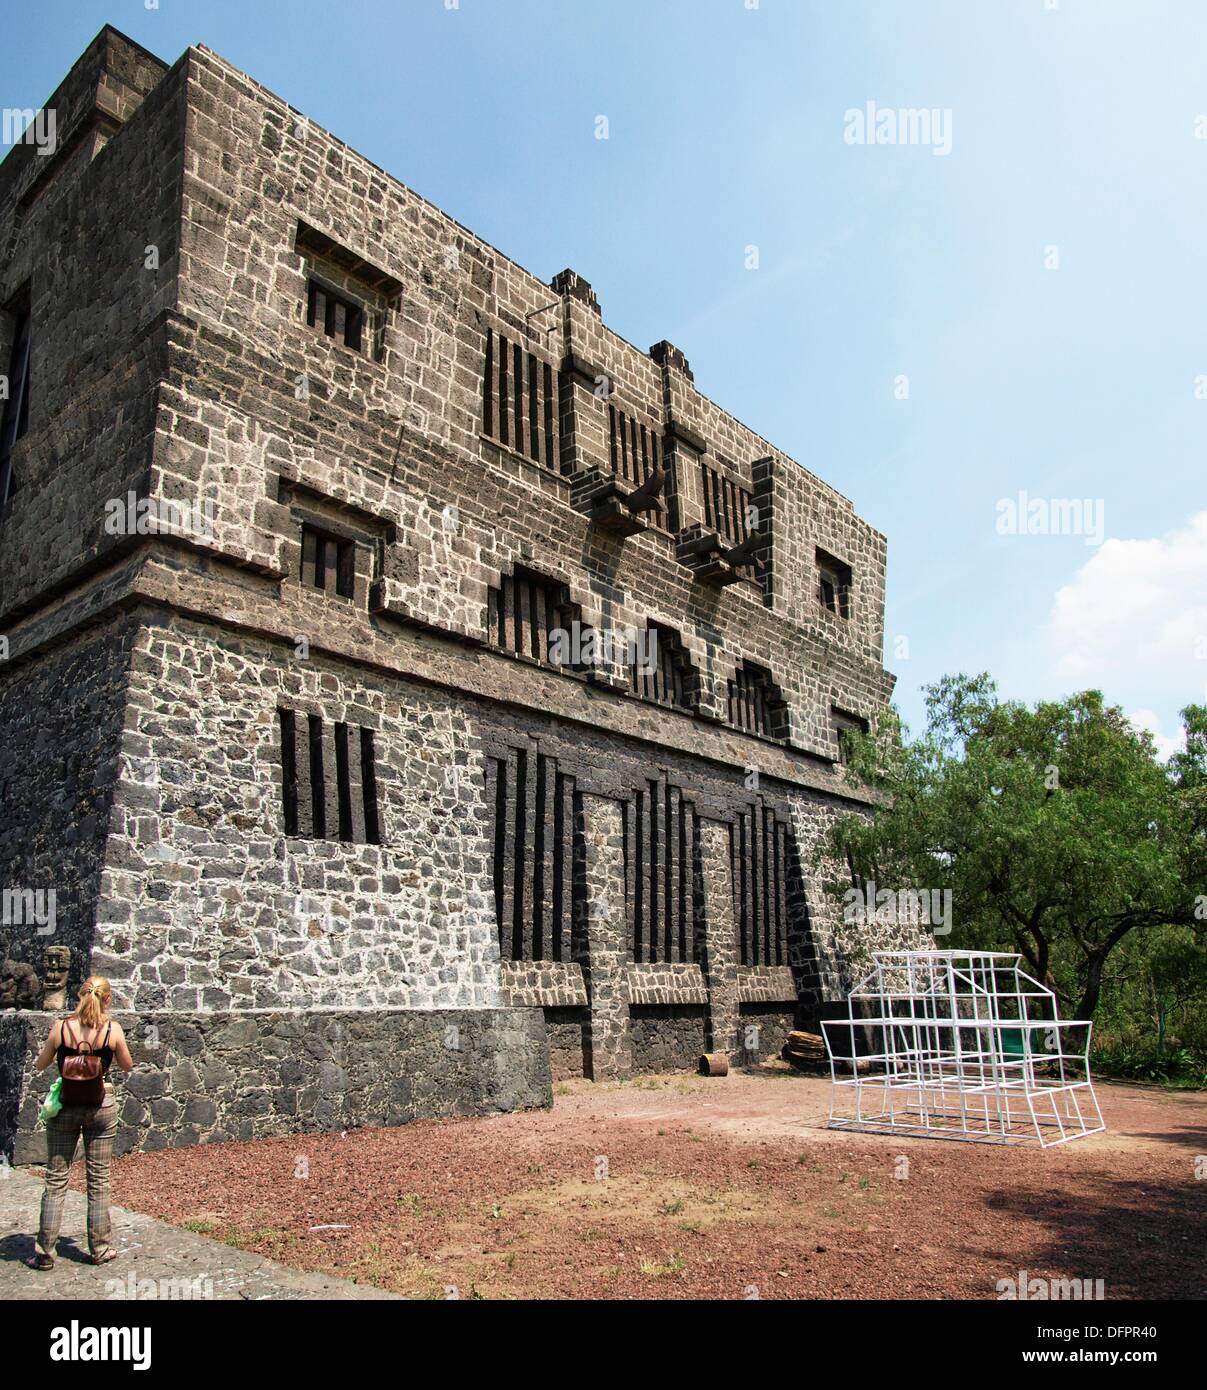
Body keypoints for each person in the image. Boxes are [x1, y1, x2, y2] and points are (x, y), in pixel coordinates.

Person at [27, 976, 134, 1269]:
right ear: (107, 999)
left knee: (56, 1178)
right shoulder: (112, 1029)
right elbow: (127, 1065)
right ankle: (100, 1249)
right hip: (102, 1103)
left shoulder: (62, 1027)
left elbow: (41, 1063)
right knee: (98, 1180)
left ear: (79, 995)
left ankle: (45, 1252)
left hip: (66, 1106)